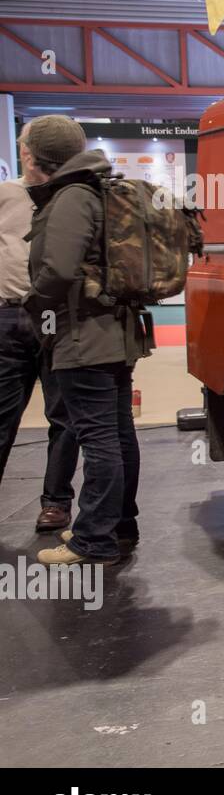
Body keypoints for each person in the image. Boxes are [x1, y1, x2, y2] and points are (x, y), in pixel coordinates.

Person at [21, 116, 154, 566]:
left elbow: (56, 271)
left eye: (24, 147)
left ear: (33, 155)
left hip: (83, 337)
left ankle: (92, 540)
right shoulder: (95, 188)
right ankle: (119, 526)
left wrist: (32, 304)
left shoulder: (71, 196)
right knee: (116, 435)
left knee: (99, 438)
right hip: (114, 334)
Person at [0, 175, 79, 534]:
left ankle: (56, 503)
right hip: (9, 313)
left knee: (62, 416)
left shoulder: (74, 196)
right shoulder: (6, 195)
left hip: (56, 315)